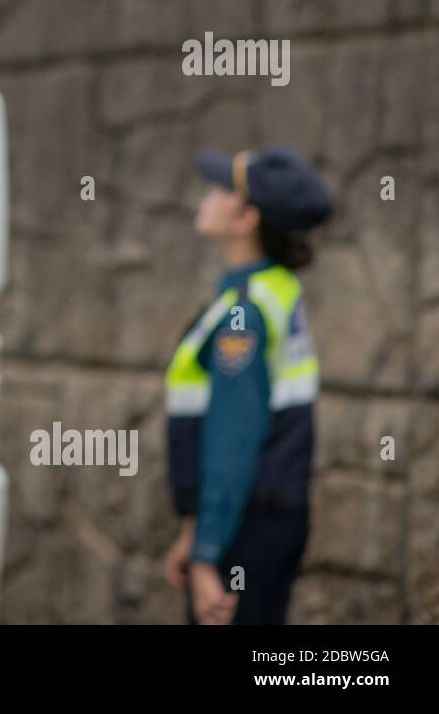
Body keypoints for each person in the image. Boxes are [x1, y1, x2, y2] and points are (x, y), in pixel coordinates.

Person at [163, 145, 333, 625]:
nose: (207, 196)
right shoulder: (269, 288)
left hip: (245, 524)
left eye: (222, 189)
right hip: (259, 517)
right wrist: (193, 533)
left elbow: (231, 442)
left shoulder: (245, 311)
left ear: (245, 219)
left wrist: (207, 553)